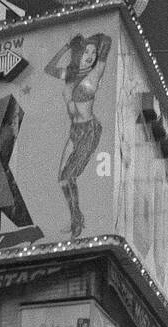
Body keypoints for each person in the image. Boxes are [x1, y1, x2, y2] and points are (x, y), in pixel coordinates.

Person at [44, 33, 112, 238]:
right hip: (74, 131)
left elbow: (107, 41)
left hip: (89, 131)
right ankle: (77, 217)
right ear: (79, 54)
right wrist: (67, 45)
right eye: (86, 51)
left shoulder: (95, 74)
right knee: (62, 179)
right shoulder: (69, 75)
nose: (90, 55)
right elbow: (48, 68)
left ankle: (77, 222)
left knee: (68, 178)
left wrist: (95, 41)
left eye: (93, 52)